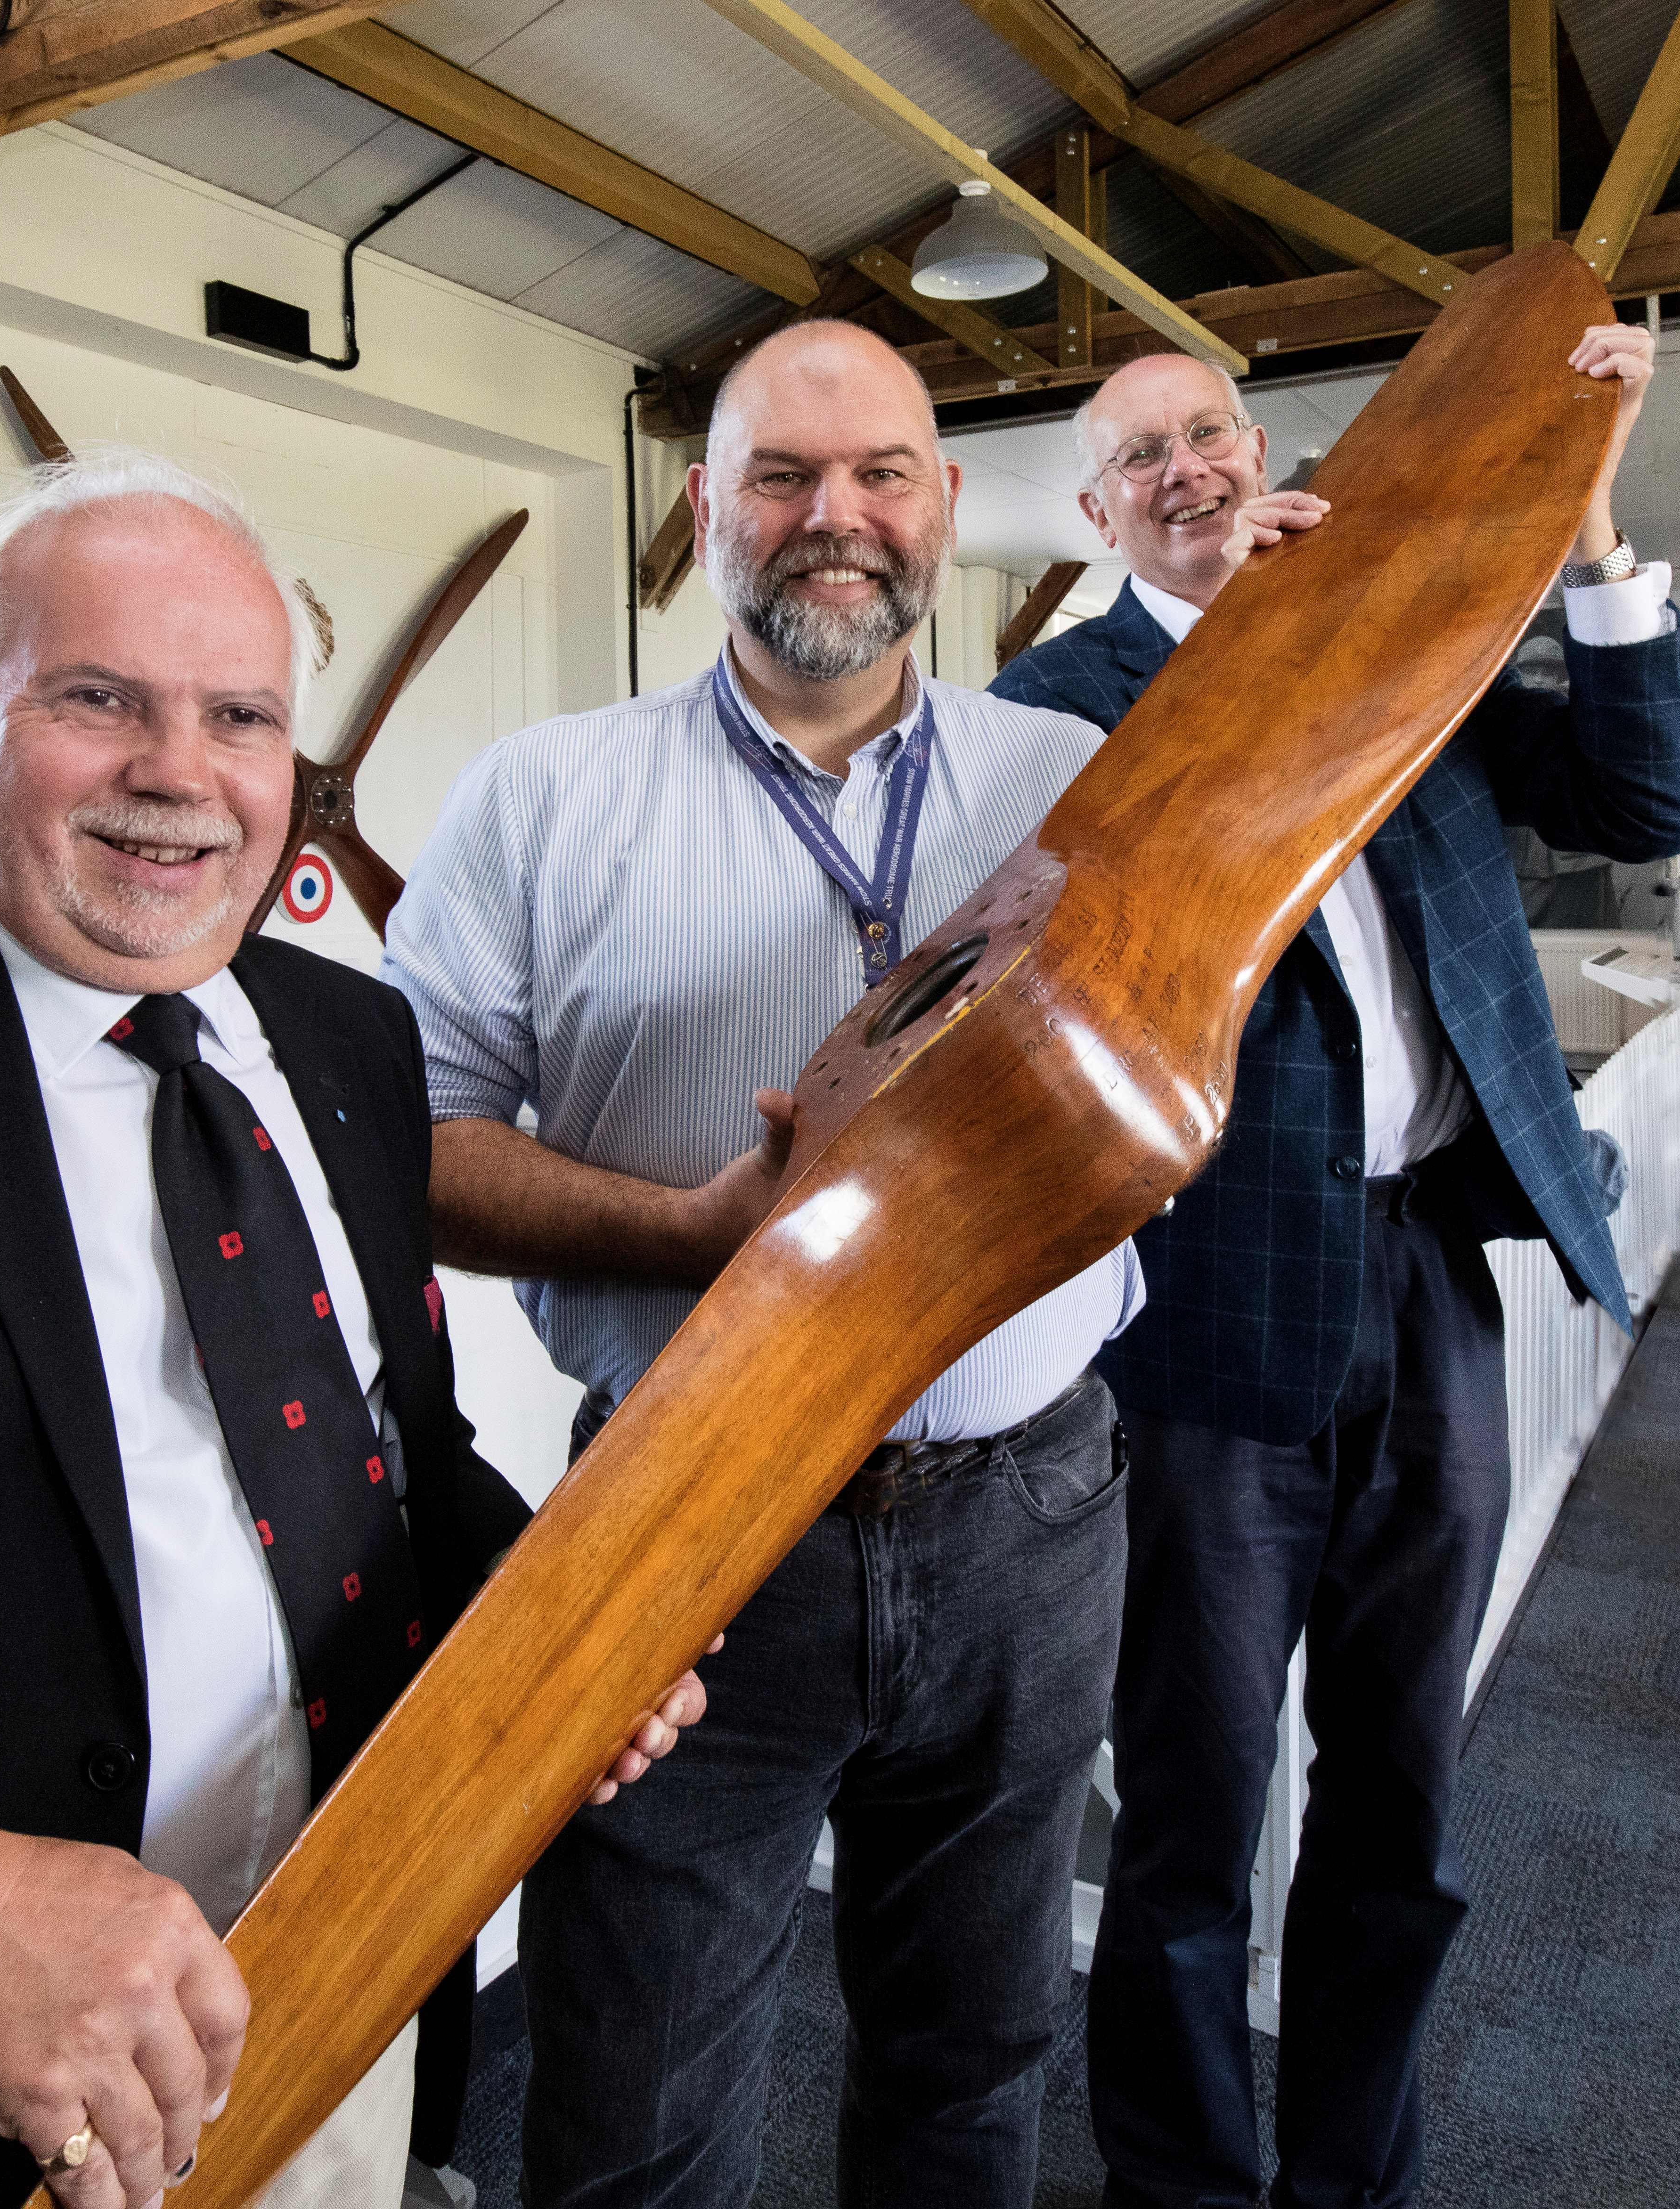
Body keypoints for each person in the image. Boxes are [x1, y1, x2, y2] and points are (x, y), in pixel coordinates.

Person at [0, 450, 704, 2209]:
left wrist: (543, 1616)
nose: (180, 775)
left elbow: (386, 1442)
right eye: (98, 699)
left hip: (339, 1988)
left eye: (242, 716)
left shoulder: (348, 1042)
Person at [382, 318, 1143, 2209]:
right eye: (783, 478)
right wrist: (690, 1235)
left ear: (947, 505)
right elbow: (400, 1154)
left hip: (1030, 1514)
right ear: (705, 506)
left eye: (882, 474)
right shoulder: (544, 797)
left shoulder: (1093, 784)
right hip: (684, 1517)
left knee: (977, 2057)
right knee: (635, 2099)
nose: (838, 518)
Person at [990, 329, 1680, 2209]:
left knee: (1402, 1802)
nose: (1192, 470)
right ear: (1096, 510)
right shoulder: (1060, 699)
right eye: (1143, 454)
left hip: (1432, 1283)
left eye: (1211, 429)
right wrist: (1260, 653)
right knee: (1194, 1828)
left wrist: (1591, 523)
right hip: (1212, 1322)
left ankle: (1355, 2179)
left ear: (1260, 441)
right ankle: (1190, 2189)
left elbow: (1642, 809)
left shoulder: (1408, 629)